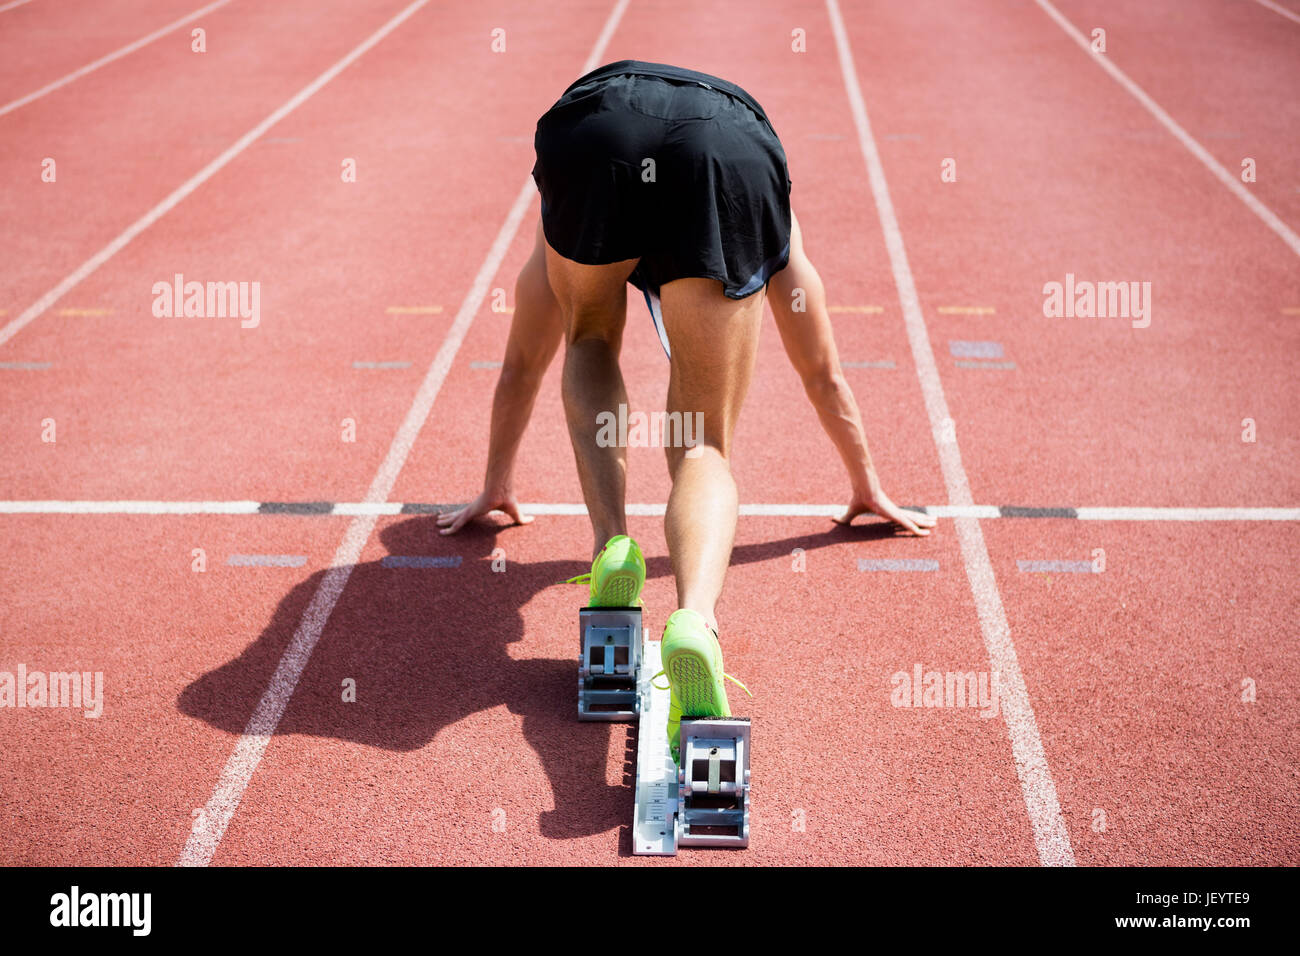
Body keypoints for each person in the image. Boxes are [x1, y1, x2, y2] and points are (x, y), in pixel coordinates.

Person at [439, 61, 935, 761]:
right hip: (723, 152)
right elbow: (820, 371)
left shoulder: (560, 228)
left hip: (595, 130)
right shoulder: (775, 218)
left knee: (587, 337)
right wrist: (864, 481)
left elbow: (523, 361)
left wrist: (496, 481)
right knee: (702, 439)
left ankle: (613, 543)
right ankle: (694, 622)